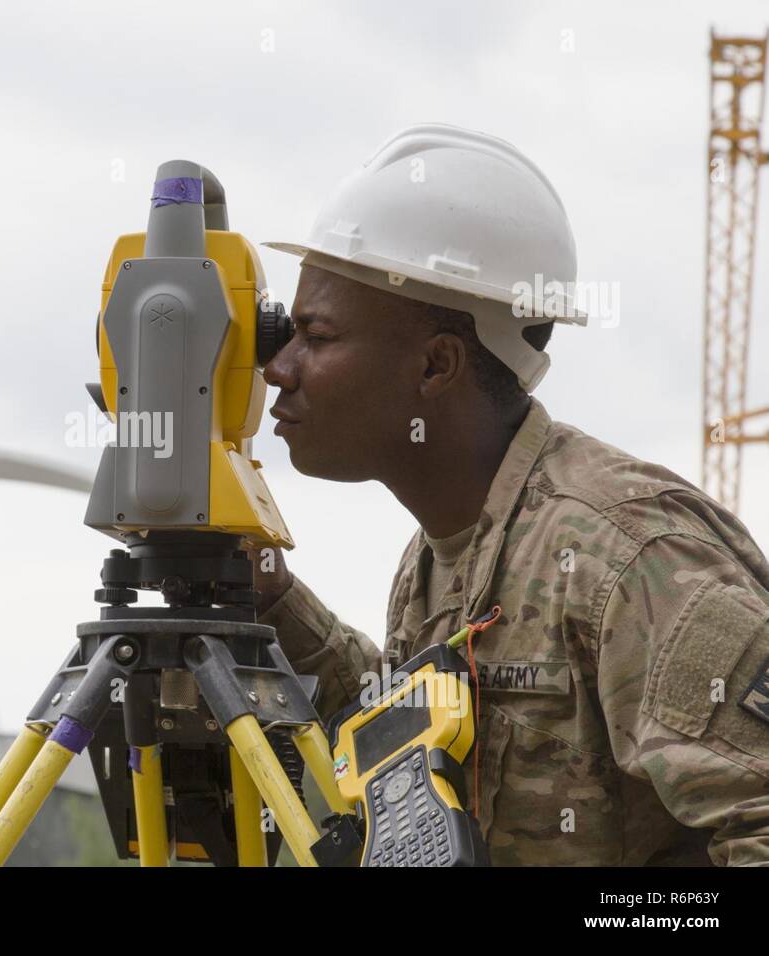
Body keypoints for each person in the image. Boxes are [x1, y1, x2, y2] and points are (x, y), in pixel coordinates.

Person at [254, 124, 769, 865]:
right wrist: (271, 602)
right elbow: (404, 752)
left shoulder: (631, 558)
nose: (280, 367)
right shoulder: (441, 557)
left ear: (436, 365)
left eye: (316, 335)